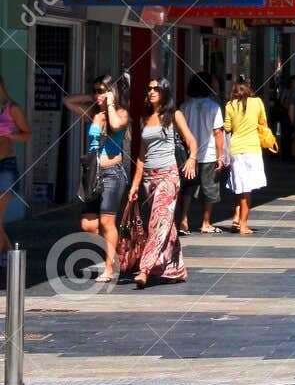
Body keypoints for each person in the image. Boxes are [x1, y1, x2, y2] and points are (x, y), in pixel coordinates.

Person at [125, 79, 197, 287]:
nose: (151, 91)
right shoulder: (145, 119)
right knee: (166, 224)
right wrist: (134, 186)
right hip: (149, 178)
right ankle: (177, 269)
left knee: (157, 222)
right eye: (149, 88)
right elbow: (140, 155)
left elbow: (191, 140)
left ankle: (145, 269)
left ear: (165, 92)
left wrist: (192, 158)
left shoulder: (174, 115)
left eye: (156, 88)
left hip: (168, 176)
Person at [75, 73, 129, 281]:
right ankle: (113, 247)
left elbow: (115, 126)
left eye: (101, 90)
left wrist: (110, 104)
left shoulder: (121, 113)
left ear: (111, 93)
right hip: (92, 174)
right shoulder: (93, 114)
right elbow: (68, 101)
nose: (97, 94)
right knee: (88, 225)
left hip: (112, 174)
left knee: (107, 223)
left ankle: (108, 268)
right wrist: (92, 99)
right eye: (95, 90)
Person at [178, 71, 225, 234]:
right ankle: (206, 222)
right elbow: (218, 132)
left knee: (188, 188)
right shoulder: (214, 107)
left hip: (190, 155)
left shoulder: (184, 106)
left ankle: (183, 220)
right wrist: (221, 155)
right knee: (209, 189)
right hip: (209, 154)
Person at [224, 74, 268, 233]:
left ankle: (238, 218)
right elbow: (263, 122)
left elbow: (227, 127)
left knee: (241, 187)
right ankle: (243, 224)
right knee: (247, 189)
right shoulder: (257, 102)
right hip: (253, 149)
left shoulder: (230, 106)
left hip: (236, 149)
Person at [0, 68, 31, 277]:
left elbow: (27, 135)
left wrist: (11, 134)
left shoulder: (12, 109)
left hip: (5, 166)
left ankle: (10, 256)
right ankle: (10, 257)